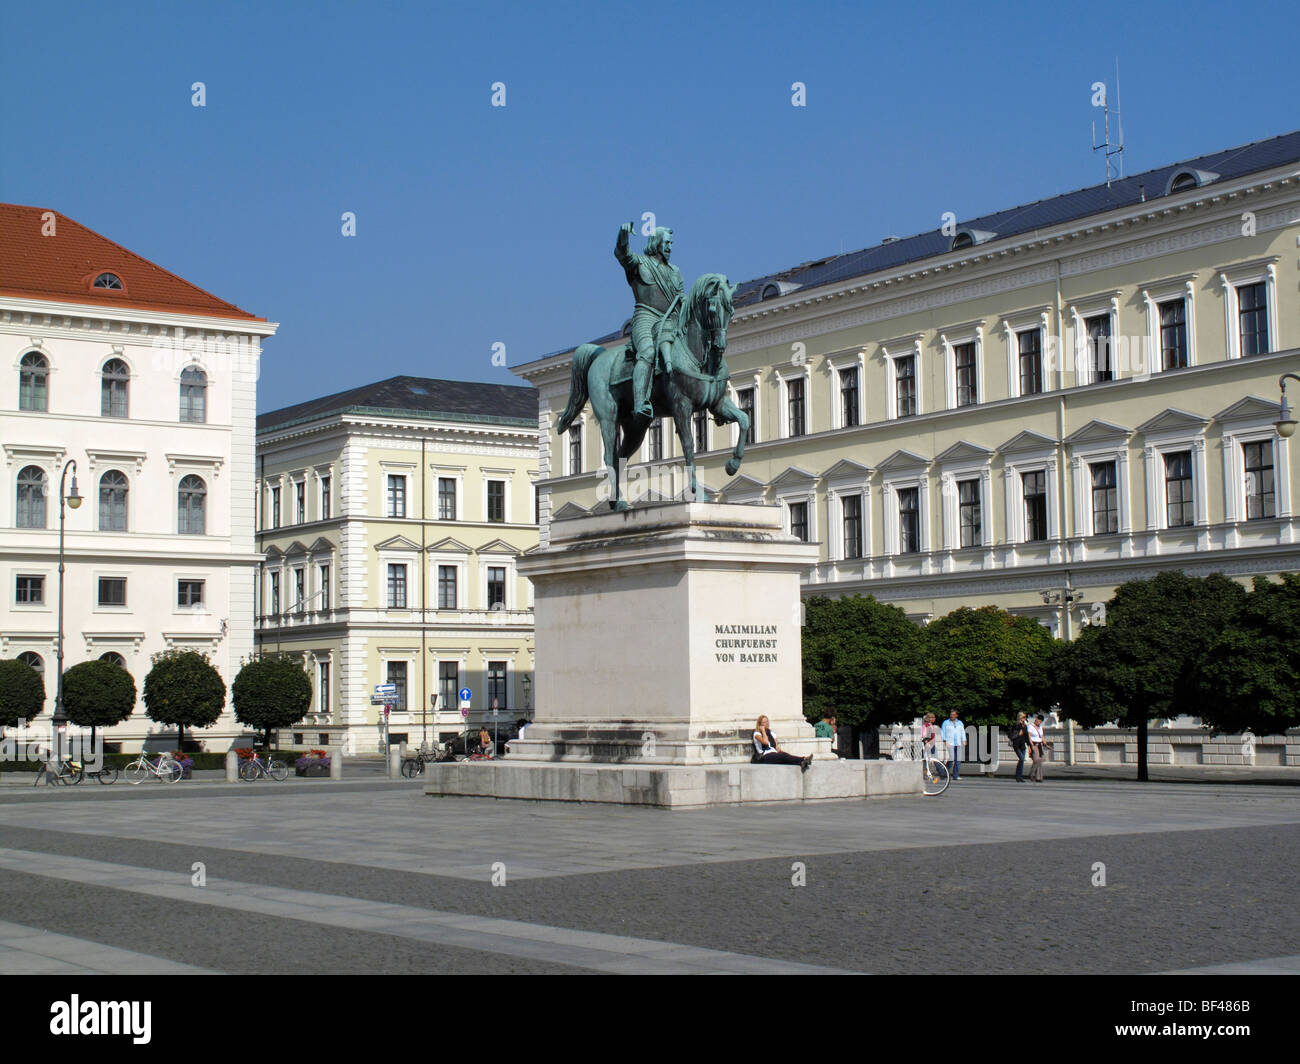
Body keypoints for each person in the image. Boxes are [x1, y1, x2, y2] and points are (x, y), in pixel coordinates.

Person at [616, 221, 684, 420]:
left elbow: (680, 298)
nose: (670, 247)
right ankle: (640, 402)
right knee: (647, 351)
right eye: (667, 243)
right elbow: (622, 254)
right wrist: (623, 235)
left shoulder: (675, 271)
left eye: (672, 244)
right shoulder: (640, 263)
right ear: (656, 242)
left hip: (671, 320)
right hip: (645, 317)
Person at [940, 709, 966, 781]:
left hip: (958, 743)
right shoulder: (946, 722)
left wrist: (964, 740)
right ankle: (944, 773)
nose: (952, 716)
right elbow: (943, 732)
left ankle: (955, 775)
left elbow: (962, 732)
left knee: (958, 760)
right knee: (951, 759)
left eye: (953, 714)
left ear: (956, 715)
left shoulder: (960, 723)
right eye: (951, 714)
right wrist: (945, 741)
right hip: (950, 743)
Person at [1027, 714, 1051, 782]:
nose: (1039, 722)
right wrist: (1032, 746)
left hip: (1040, 745)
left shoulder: (1040, 727)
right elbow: (1029, 736)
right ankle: (1032, 774)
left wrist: (1046, 745)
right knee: (1036, 760)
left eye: (1040, 722)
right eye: (1038, 721)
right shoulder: (1030, 726)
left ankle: (1038, 777)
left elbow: (1042, 737)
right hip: (1034, 744)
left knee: (1040, 761)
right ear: (1036, 719)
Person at [1008, 712, 1030, 783]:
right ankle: (1018, 776)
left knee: (1022, 761)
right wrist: (1018, 734)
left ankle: (1019, 776)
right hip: (1016, 745)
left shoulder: (1025, 726)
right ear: (1020, 717)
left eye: (1025, 717)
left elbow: (1026, 736)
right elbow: (1010, 735)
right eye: (1023, 717)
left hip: (1022, 745)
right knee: (1022, 759)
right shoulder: (1015, 725)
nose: (1025, 719)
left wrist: (1029, 746)